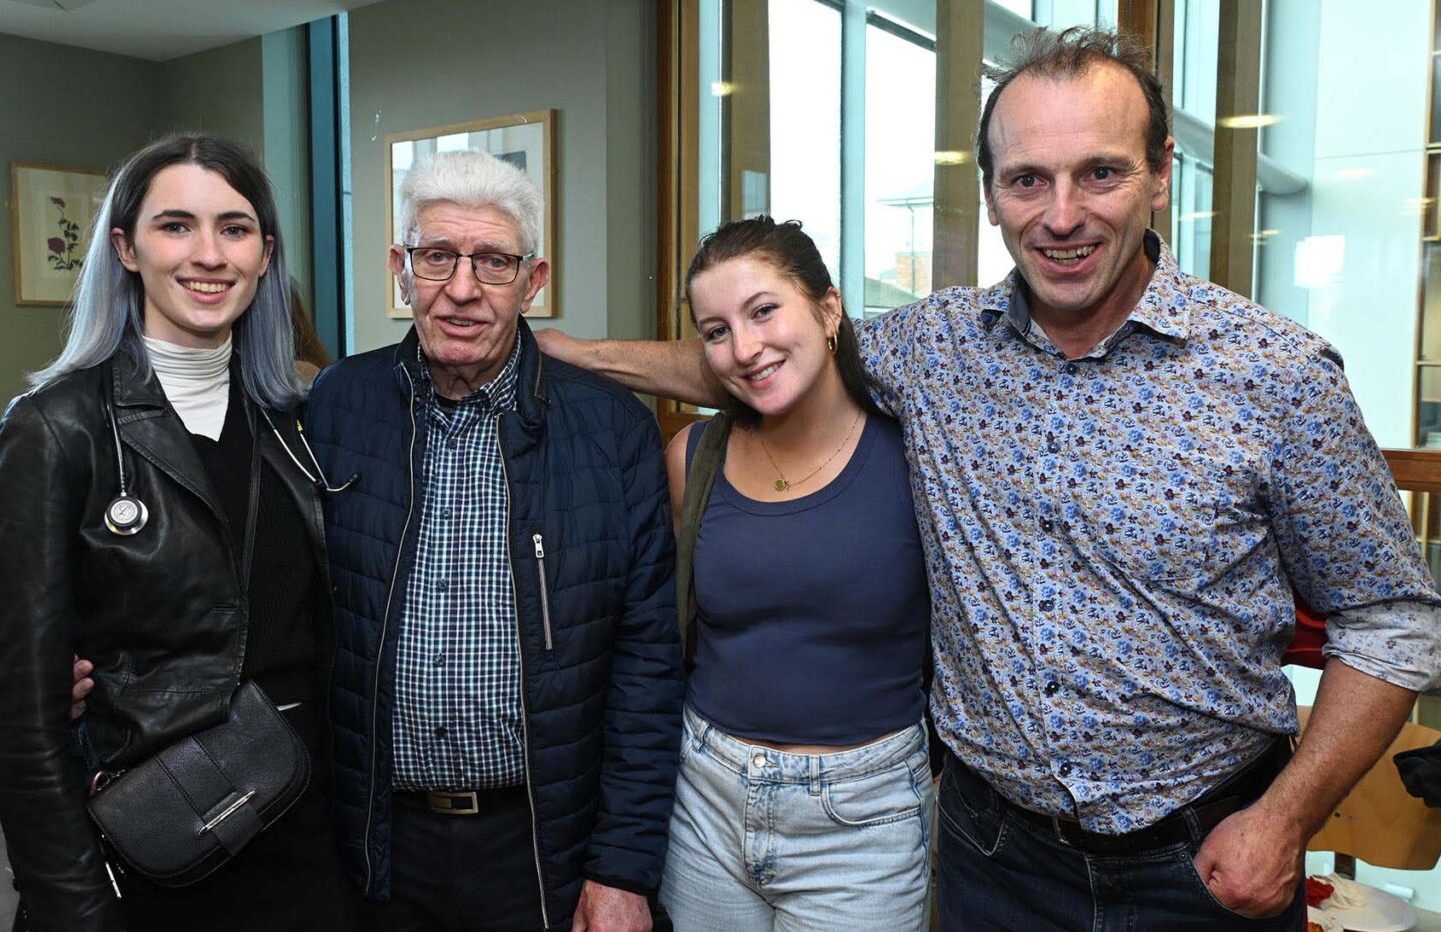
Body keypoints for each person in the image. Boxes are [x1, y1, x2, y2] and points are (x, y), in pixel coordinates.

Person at [535, 26, 1441, 930]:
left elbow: (1392, 616)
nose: (1060, 214)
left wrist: (1285, 821)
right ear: (994, 194)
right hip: (992, 862)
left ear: (1160, 172)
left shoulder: (1273, 372)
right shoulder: (936, 348)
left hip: (1202, 862)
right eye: (1027, 180)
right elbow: (761, 361)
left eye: (1100, 172)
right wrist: (572, 353)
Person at [0, 134, 348, 932]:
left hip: (305, 833)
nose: (209, 254)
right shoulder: (55, 430)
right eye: (176, 226)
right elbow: (17, 714)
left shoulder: (299, 422)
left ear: (266, 254)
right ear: (125, 248)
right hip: (152, 847)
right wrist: (70, 901)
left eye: (235, 229)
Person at [300, 149, 684, 932]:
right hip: (374, 842)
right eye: (438, 256)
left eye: (493, 262)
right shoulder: (336, 406)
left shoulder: (613, 432)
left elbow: (648, 663)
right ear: (401, 270)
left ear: (533, 281)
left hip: (543, 844)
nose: (463, 289)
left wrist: (621, 867)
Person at [657, 216, 935, 931]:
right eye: (716, 331)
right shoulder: (694, 457)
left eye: (763, 311)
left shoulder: (916, 456)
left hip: (865, 819)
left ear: (829, 308)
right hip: (706, 799)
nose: (744, 349)